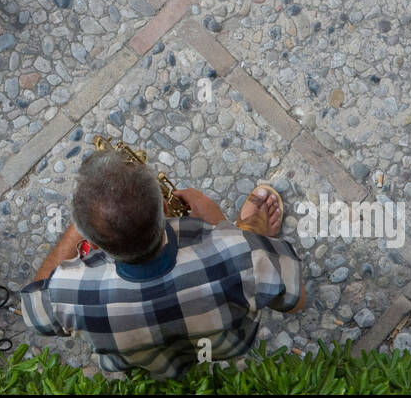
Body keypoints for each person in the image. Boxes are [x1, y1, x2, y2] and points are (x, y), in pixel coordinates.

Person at [21, 145, 306, 378]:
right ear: (166, 207)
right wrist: (221, 225)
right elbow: (296, 302)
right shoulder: (245, 254)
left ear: (90, 241)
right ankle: (251, 226)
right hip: (225, 347)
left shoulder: (67, 293)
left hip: (140, 366)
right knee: (249, 243)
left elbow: (31, 310)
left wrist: (82, 227)